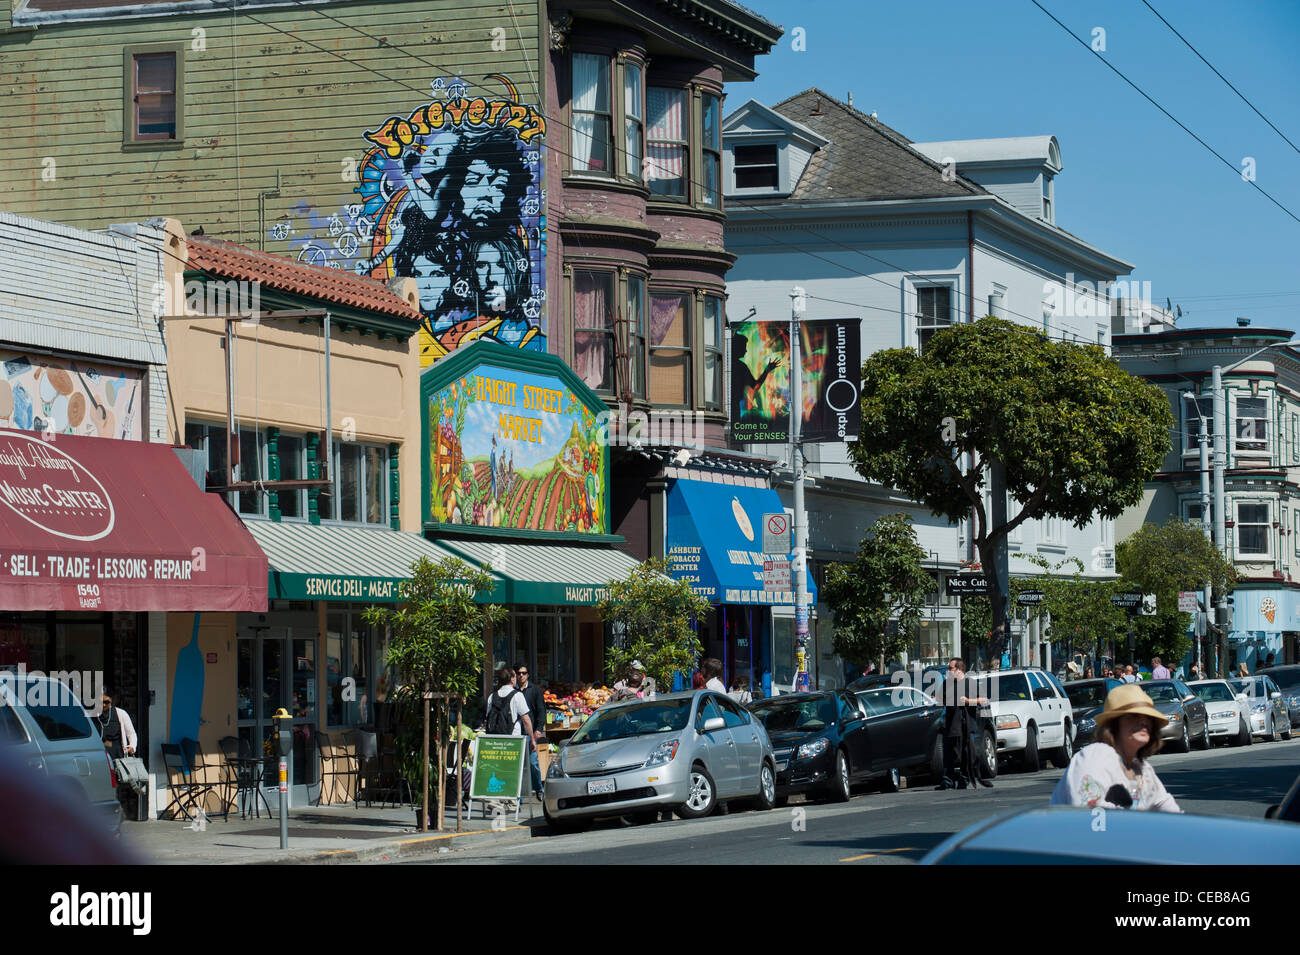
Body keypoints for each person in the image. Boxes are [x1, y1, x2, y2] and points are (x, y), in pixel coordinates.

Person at [1050, 684, 1182, 812]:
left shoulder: (1142, 769)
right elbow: (1087, 812)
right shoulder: (1096, 757)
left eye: (1149, 718)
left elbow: (1167, 807)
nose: (1144, 721)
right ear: (1113, 724)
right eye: (1133, 716)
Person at [937, 658, 992, 790]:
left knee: (966, 754)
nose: (948, 671)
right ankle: (948, 781)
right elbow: (939, 700)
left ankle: (964, 779)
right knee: (949, 753)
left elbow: (984, 700)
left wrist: (968, 701)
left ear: (959, 669)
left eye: (950, 668)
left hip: (966, 724)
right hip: (951, 724)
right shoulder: (946, 684)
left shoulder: (970, 683)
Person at [515, 663, 545, 799]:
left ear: (528, 675)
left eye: (524, 673)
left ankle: (539, 788)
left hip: (531, 733)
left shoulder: (535, 690)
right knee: (519, 766)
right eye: (519, 673)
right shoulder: (513, 691)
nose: (521, 675)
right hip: (516, 733)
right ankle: (520, 796)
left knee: (533, 763)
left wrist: (539, 729)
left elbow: (541, 711)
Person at [95, 690, 137, 761]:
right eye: (101, 702)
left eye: (106, 702)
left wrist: (132, 746)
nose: (104, 705)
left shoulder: (121, 714)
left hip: (117, 756)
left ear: (111, 700)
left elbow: (131, 733)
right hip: (100, 756)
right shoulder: (93, 715)